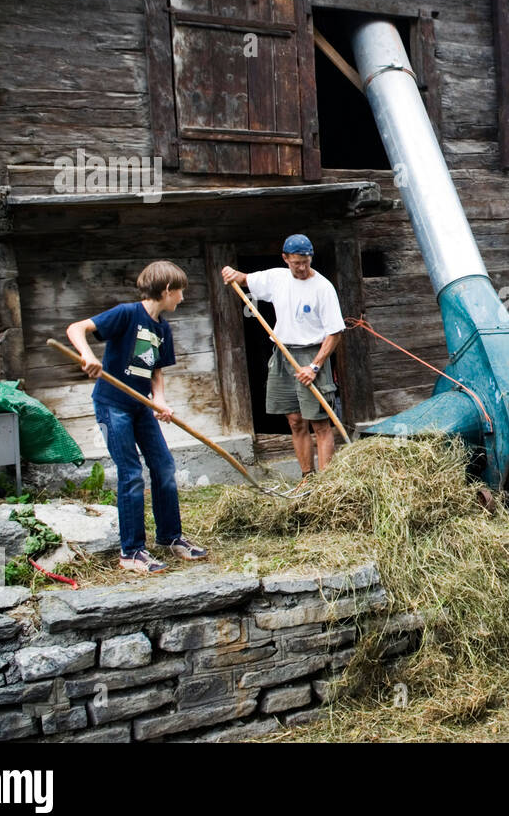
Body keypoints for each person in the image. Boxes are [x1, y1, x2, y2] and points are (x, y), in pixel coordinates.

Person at [65, 260, 208, 574]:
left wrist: (160, 400)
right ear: (167, 290)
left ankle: (170, 537)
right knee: (131, 474)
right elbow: (76, 329)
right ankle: (131, 552)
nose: (182, 299)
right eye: (180, 292)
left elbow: (155, 370)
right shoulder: (126, 314)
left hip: (140, 406)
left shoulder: (162, 328)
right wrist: (88, 356)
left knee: (164, 467)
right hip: (112, 404)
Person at [220, 234, 345, 477]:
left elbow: (335, 333)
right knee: (295, 420)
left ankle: (327, 485)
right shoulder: (276, 278)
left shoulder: (323, 287)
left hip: (312, 355)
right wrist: (231, 273)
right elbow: (244, 279)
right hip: (283, 353)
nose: (302, 267)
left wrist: (315, 366)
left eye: (306, 261)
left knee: (319, 422)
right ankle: (308, 478)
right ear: (285, 258)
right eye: (297, 262)